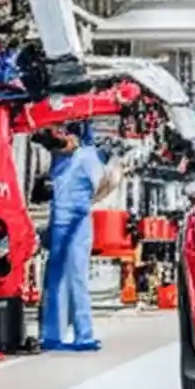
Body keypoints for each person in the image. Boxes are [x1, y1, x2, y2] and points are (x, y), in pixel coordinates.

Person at [36, 122, 120, 352]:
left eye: (66, 135)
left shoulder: (86, 157)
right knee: (55, 281)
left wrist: (87, 203)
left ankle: (82, 335)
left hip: (77, 224)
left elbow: (105, 183)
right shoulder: (60, 160)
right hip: (59, 223)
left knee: (75, 279)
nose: (63, 141)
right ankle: (52, 336)